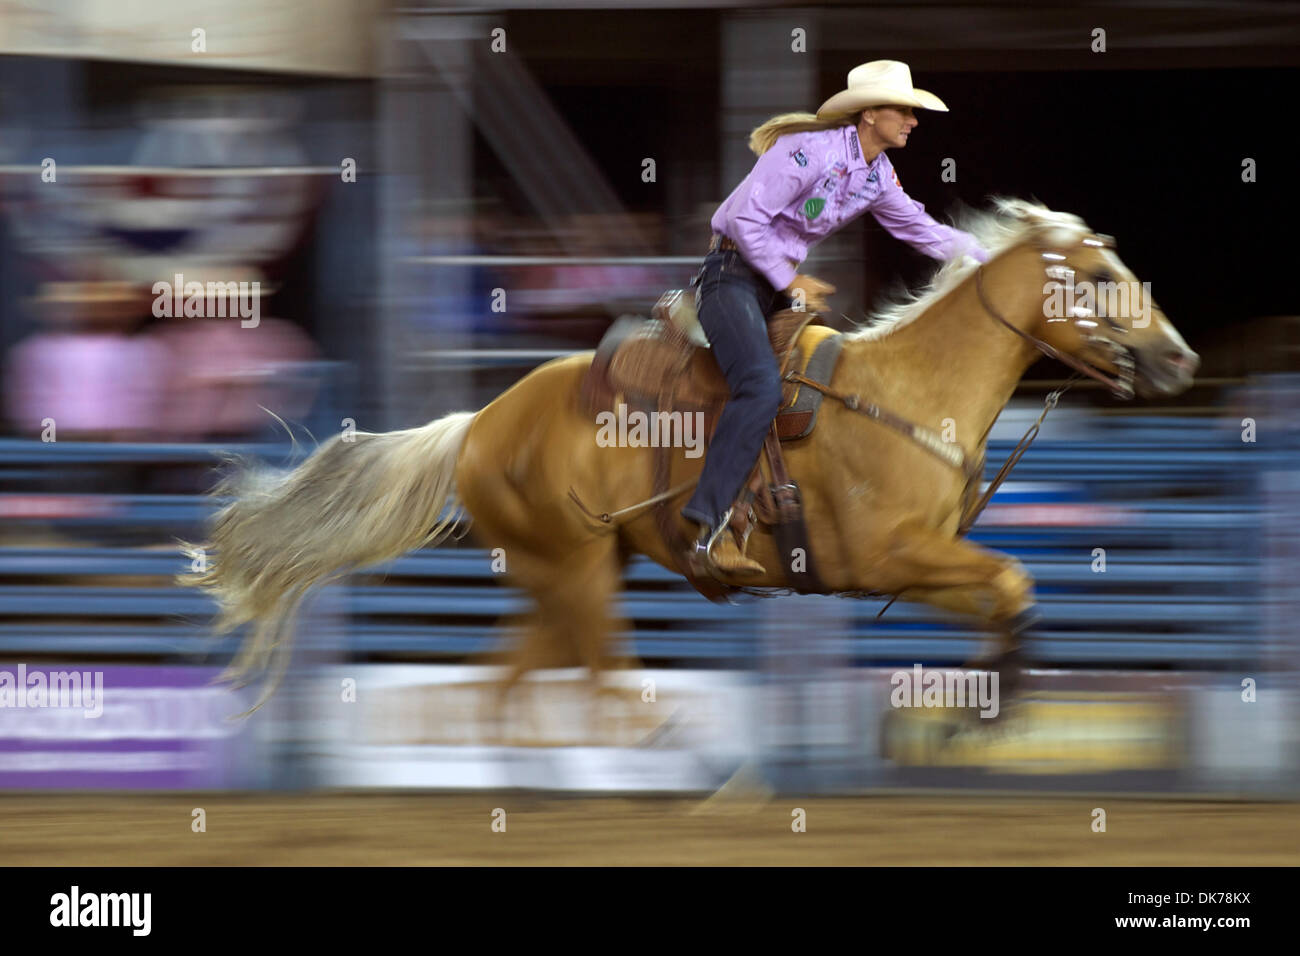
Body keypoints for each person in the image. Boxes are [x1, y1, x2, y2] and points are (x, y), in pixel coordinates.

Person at [683, 60, 991, 578]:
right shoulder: (808, 151)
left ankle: (782, 510)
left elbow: (922, 230)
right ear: (869, 113)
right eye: (904, 109)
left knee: (815, 385)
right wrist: (789, 280)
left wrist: (996, 257)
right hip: (730, 275)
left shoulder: (876, 175)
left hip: (770, 287)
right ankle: (708, 528)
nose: (913, 120)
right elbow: (744, 217)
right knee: (760, 388)